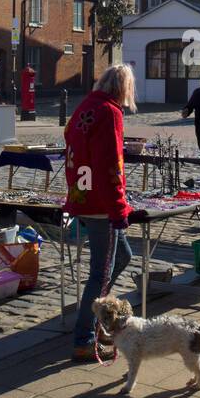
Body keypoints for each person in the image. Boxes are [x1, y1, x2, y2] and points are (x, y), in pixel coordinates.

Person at [65, 64, 137, 362]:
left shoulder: (84, 108)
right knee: (100, 275)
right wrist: (119, 208)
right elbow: (112, 166)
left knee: (123, 257)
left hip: (84, 197)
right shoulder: (110, 112)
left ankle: (96, 322)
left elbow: (75, 153)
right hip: (99, 205)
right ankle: (85, 336)